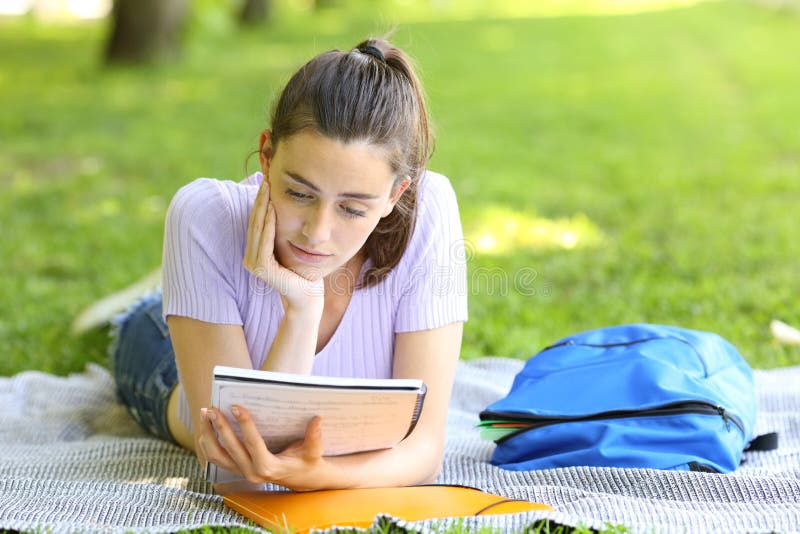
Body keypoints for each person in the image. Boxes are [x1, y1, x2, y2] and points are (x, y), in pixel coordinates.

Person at [108, 37, 468, 492]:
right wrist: (300, 309)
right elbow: (238, 470)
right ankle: (164, 296)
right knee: (141, 319)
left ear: (394, 196)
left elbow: (425, 453)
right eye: (299, 193)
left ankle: (179, 289)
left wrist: (321, 476)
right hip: (161, 360)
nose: (316, 233)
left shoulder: (427, 210)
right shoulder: (202, 215)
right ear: (266, 156)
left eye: (353, 209)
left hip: (227, 311)